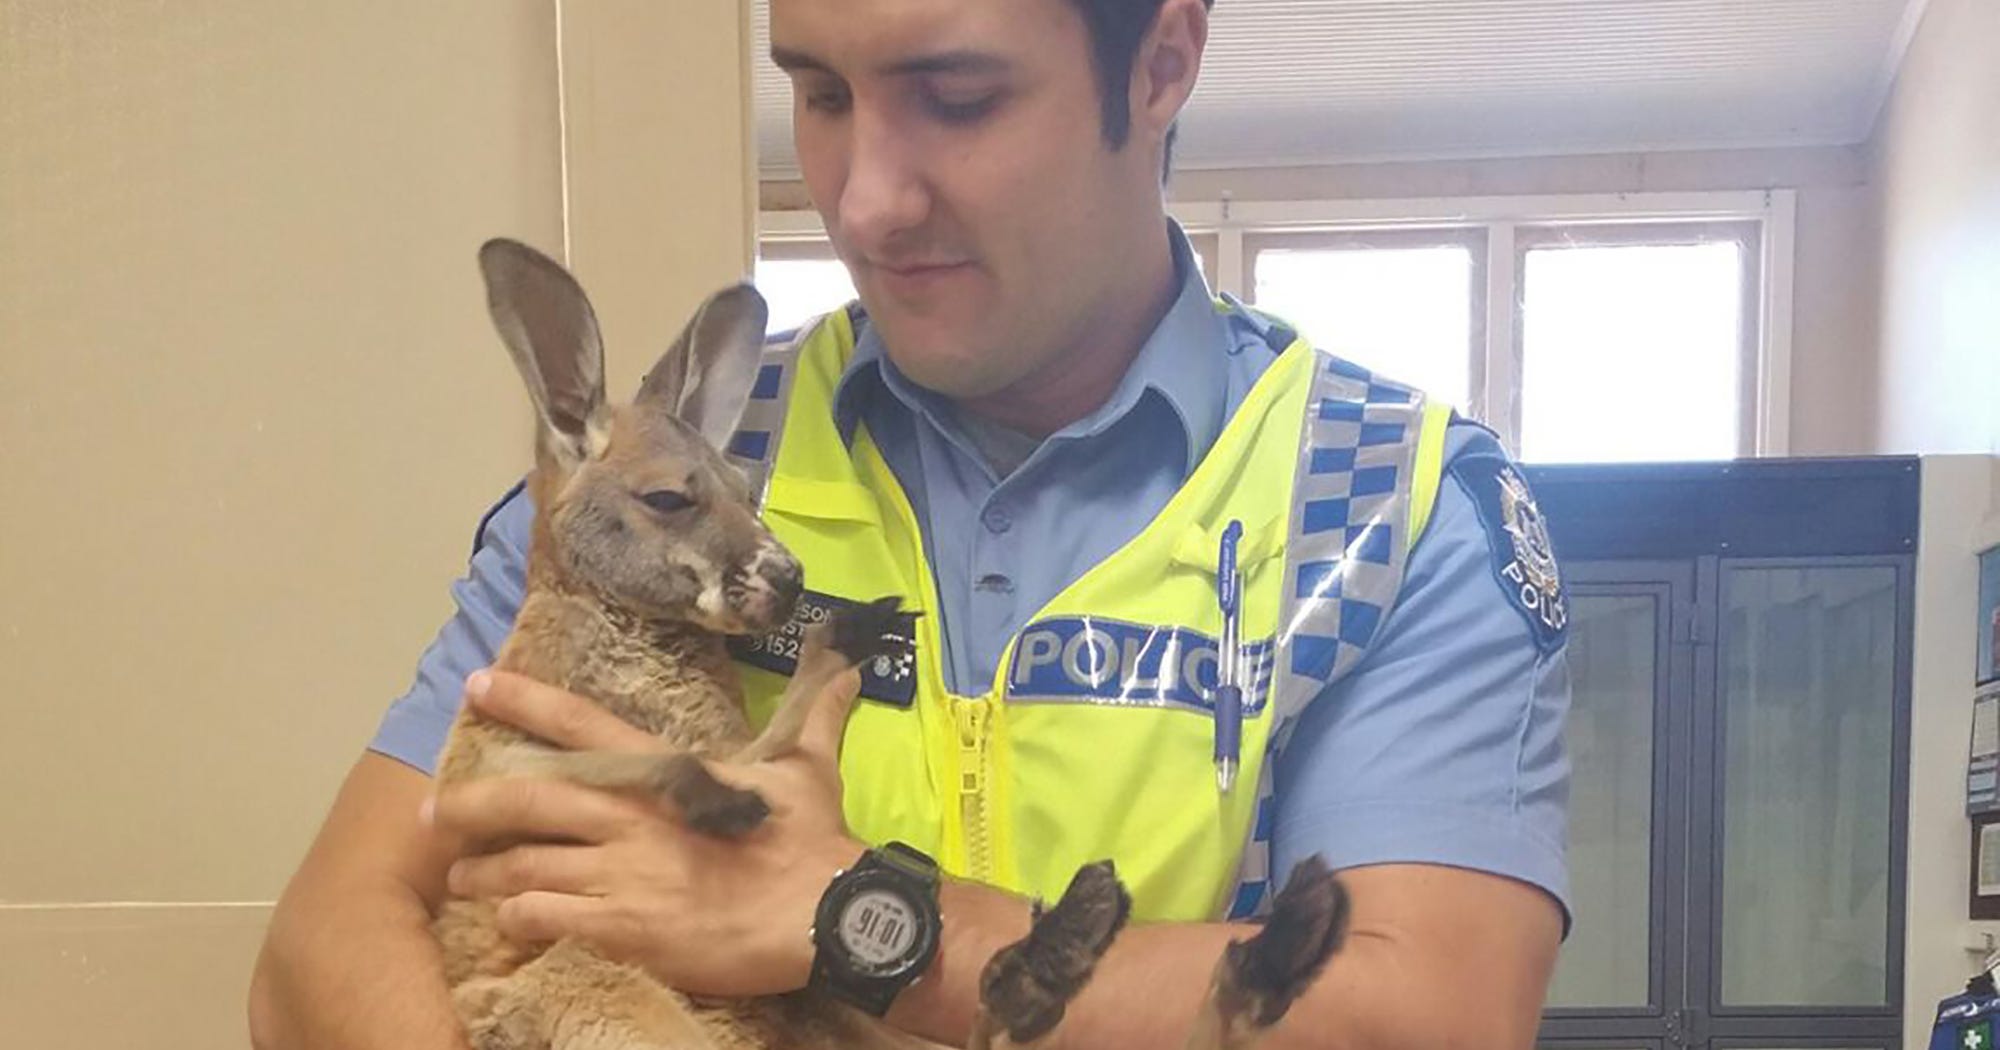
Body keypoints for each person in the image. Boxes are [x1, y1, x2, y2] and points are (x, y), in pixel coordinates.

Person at [248, 0, 1572, 1047]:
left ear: (1161, 61)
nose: (862, 198)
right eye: (820, 92)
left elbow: (1425, 1015)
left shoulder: (1388, 506)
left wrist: (859, 923)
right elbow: (323, 950)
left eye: (956, 97)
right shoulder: (671, 477)